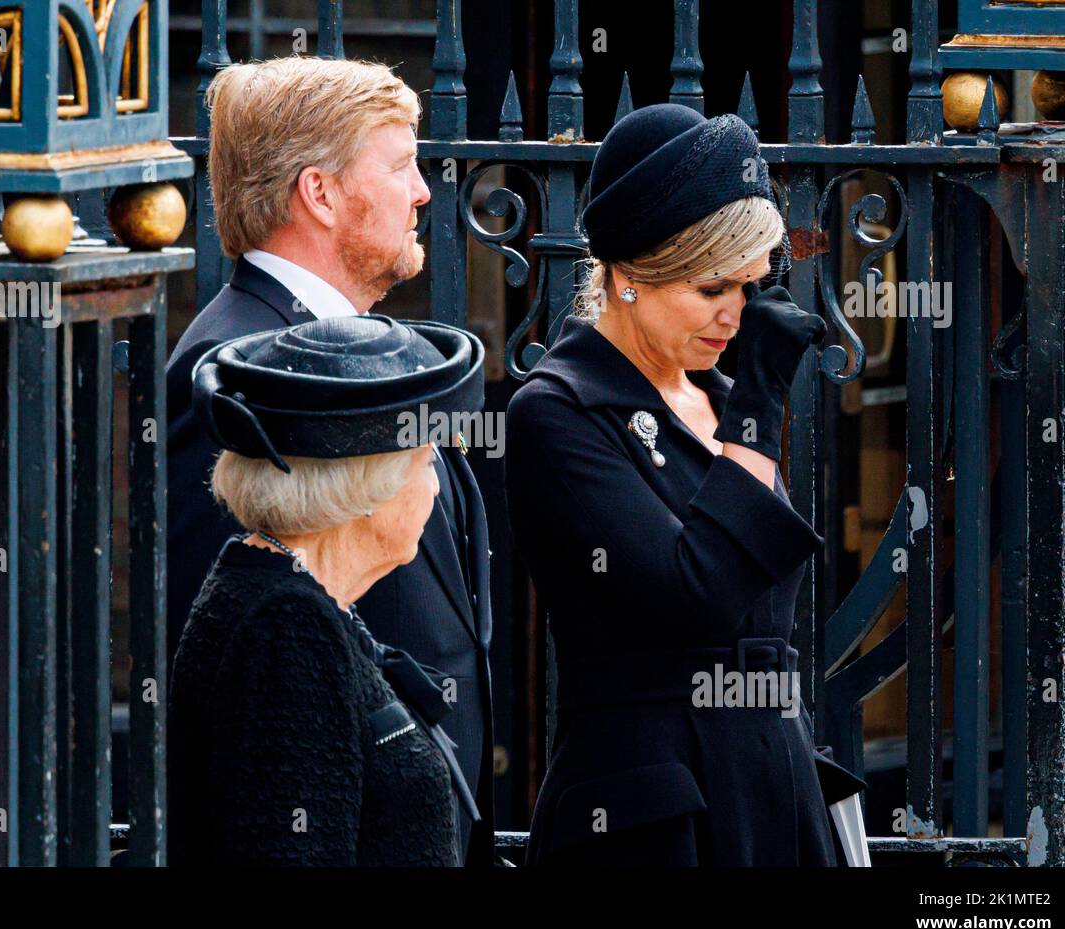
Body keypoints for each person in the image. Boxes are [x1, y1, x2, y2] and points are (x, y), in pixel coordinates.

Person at [505, 104, 866, 866]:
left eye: (750, 284)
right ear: (630, 277)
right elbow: (693, 594)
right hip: (656, 816)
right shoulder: (557, 409)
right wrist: (760, 410)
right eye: (710, 291)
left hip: (773, 790)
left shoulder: (715, 394)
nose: (735, 314)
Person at [165, 56, 495, 865]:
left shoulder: (352, 353)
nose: (423, 191)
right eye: (400, 166)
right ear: (319, 192)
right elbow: (251, 639)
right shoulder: (231, 364)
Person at [169, 314, 485, 866]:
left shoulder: (301, 599)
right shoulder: (285, 628)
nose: (435, 485)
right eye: (425, 461)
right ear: (367, 488)